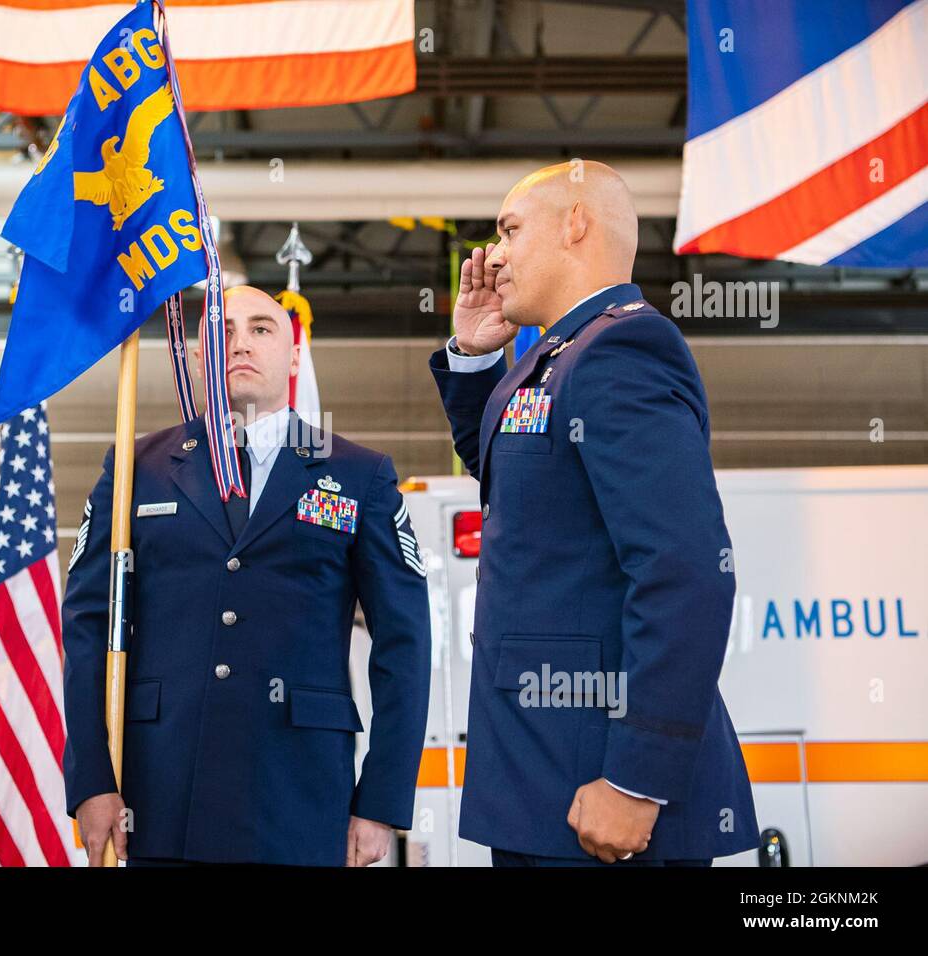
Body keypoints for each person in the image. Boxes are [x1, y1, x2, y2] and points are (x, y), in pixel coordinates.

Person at [430, 160, 757, 866]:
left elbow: (687, 572)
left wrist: (637, 779)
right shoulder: (558, 357)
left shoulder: (621, 352)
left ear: (575, 222)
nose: (493, 256)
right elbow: (519, 479)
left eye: (510, 230)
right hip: (544, 779)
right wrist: (474, 359)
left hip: (598, 788)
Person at [62, 286, 430, 866]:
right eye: (222, 330)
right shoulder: (138, 469)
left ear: (293, 357)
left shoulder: (359, 475)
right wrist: (91, 780)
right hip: (159, 796)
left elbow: (405, 644)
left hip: (302, 800)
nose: (240, 343)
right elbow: (88, 626)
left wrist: (381, 799)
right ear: (195, 356)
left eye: (262, 329)